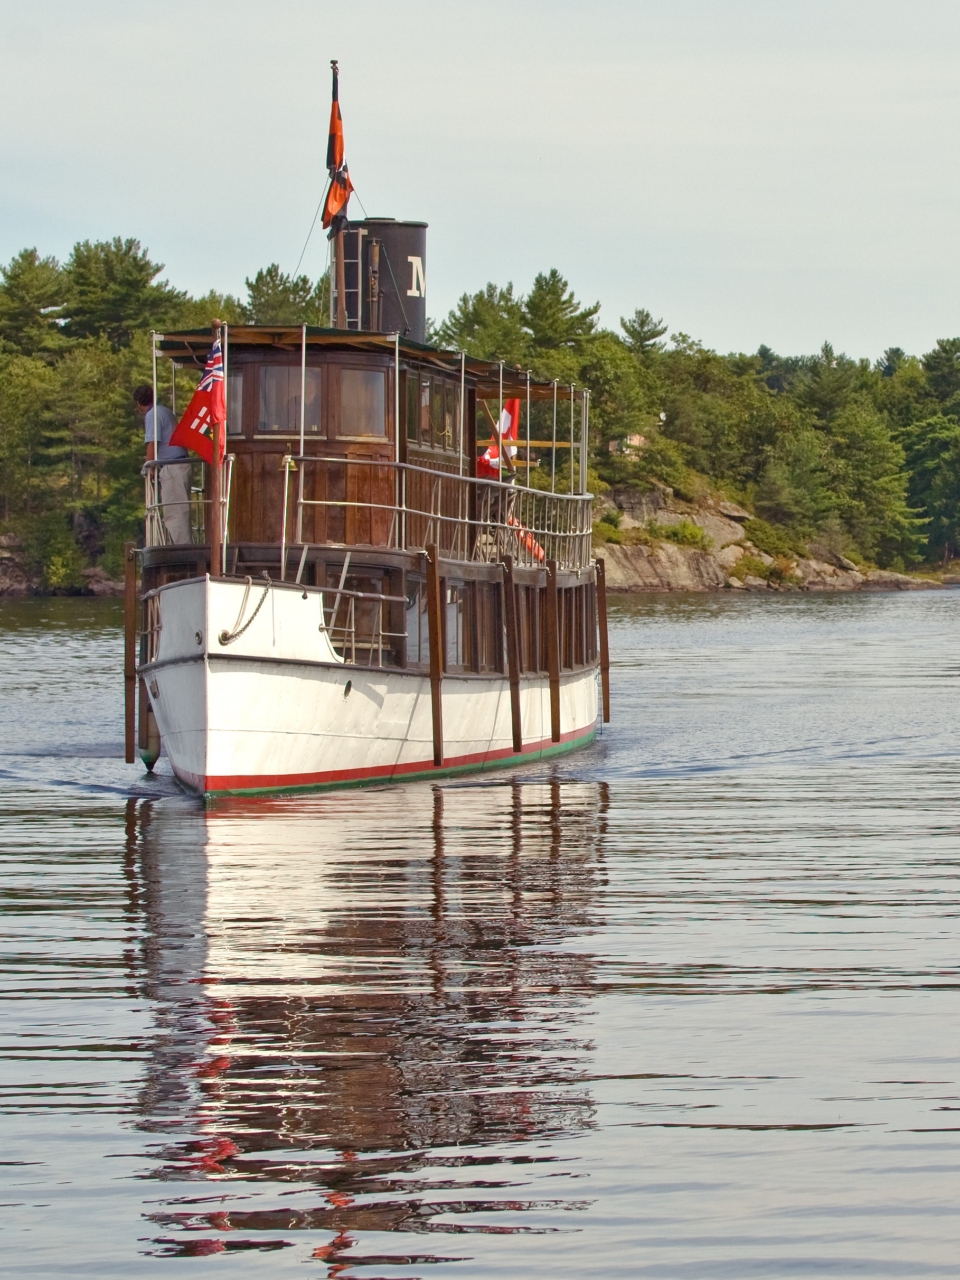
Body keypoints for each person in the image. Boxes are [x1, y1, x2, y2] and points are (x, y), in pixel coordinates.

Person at [134, 384, 193, 545]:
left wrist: (149, 467)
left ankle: (183, 550)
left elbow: (153, 443)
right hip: (180, 463)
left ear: (139, 403)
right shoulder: (165, 411)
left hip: (173, 467)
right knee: (179, 508)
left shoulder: (152, 415)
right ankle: (183, 545)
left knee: (175, 511)